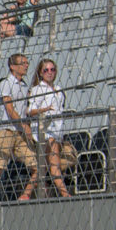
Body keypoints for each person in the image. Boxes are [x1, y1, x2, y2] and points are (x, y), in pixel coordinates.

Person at [0, 53, 39, 203]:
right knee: (0, 165)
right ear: (12, 66)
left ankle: (25, 195)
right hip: (8, 130)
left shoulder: (24, 85)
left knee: (37, 166)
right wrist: (24, 125)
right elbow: (9, 109)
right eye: (23, 63)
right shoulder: (6, 83)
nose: (26, 65)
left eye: (27, 63)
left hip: (20, 132)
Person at [26, 58, 72, 198]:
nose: (49, 72)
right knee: (54, 166)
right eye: (46, 70)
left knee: (43, 167)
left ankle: (26, 194)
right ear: (41, 73)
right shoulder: (38, 89)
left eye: (52, 69)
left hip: (57, 132)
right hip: (46, 133)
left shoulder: (58, 90)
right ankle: (65, 194)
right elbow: (30, 111)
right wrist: (45, 110)